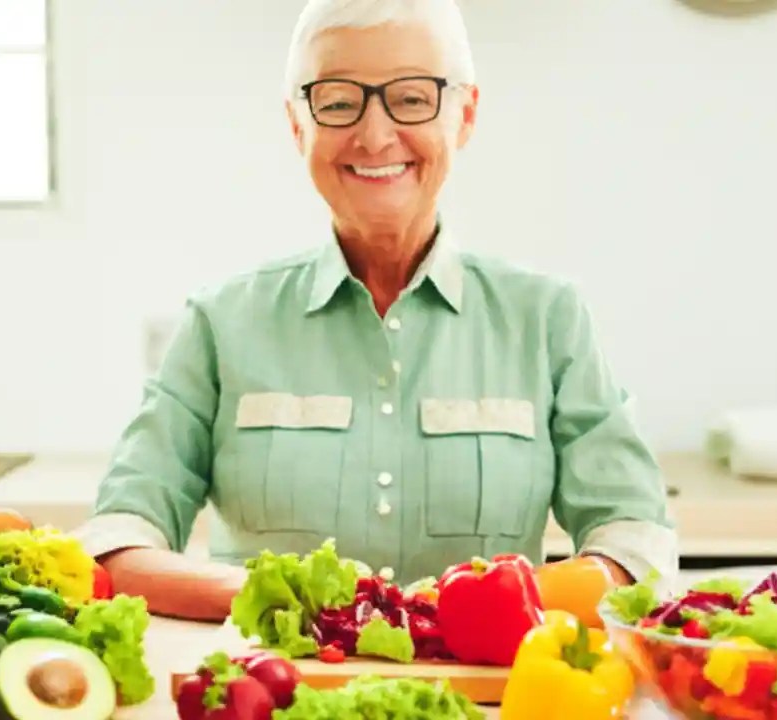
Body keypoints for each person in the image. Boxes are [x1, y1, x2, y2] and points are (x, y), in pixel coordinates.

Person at [76, 0, 679, 622]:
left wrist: (467, 612)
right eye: (338, 102)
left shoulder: (548, 319)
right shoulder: (220, 322)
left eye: (412, 99)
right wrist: (297, 607)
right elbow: (116, 545)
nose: (374, 135)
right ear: (297, 125)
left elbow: (636, 546)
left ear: (465, 115)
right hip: (270, 680)